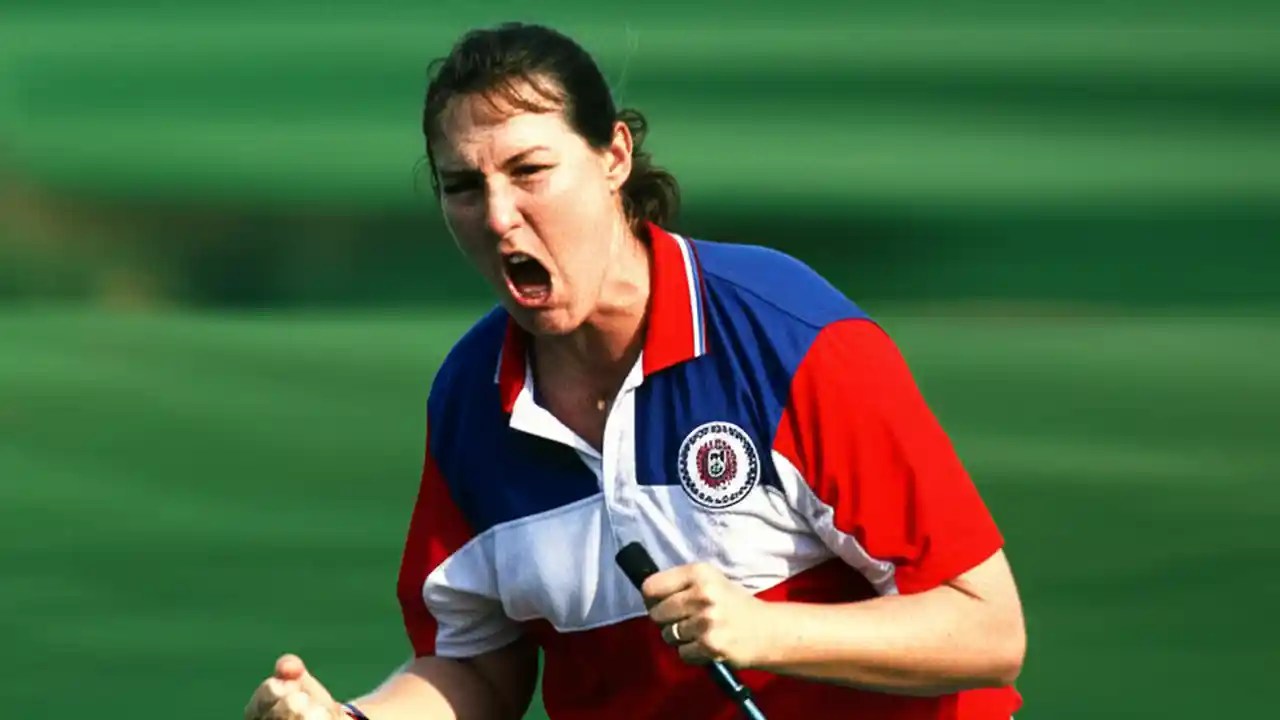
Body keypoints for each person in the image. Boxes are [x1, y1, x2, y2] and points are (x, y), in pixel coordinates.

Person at [244, 21, 1026, 720]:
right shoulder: (468, 396)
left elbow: (987, 629)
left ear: (614, 157)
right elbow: (480, 665)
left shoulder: (787, 334)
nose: (497, 215)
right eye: (461, 186)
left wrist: (767, 630)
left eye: (529, 170)